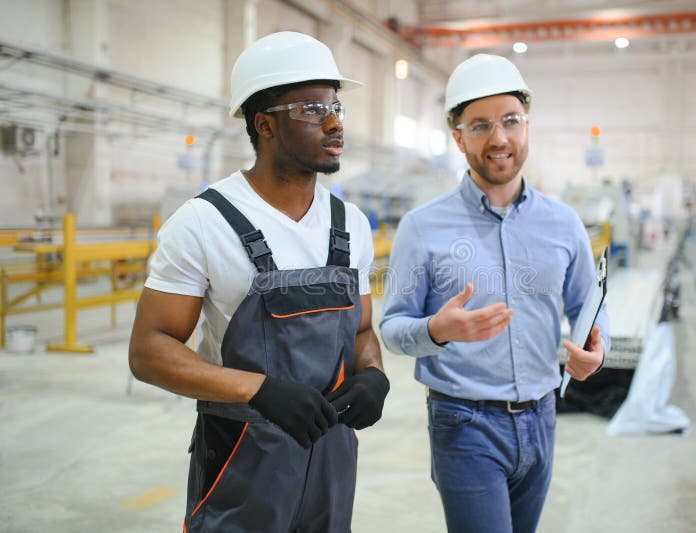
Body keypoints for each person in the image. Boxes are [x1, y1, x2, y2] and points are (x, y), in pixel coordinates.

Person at [129, 32, 389, 533]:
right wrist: (258, 390)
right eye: (313, 108)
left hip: (332, 459)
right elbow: (149, 350)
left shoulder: (350, 222)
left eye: (336, 106)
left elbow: (359, 331)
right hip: (240, 462)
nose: (335, 121)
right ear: (265, 124)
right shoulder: (204, 222)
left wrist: (374, 372)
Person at [380, 54, 610, 533]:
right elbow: (392, 329)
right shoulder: (421, 228)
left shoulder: (564, 223)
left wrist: (597, 347)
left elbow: (588, 305)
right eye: (480, 125)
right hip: (464, 423)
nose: (499, 138)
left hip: (544, 415)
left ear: (527, 125)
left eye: (511, 121)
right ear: (458, 136)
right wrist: (435, 331)